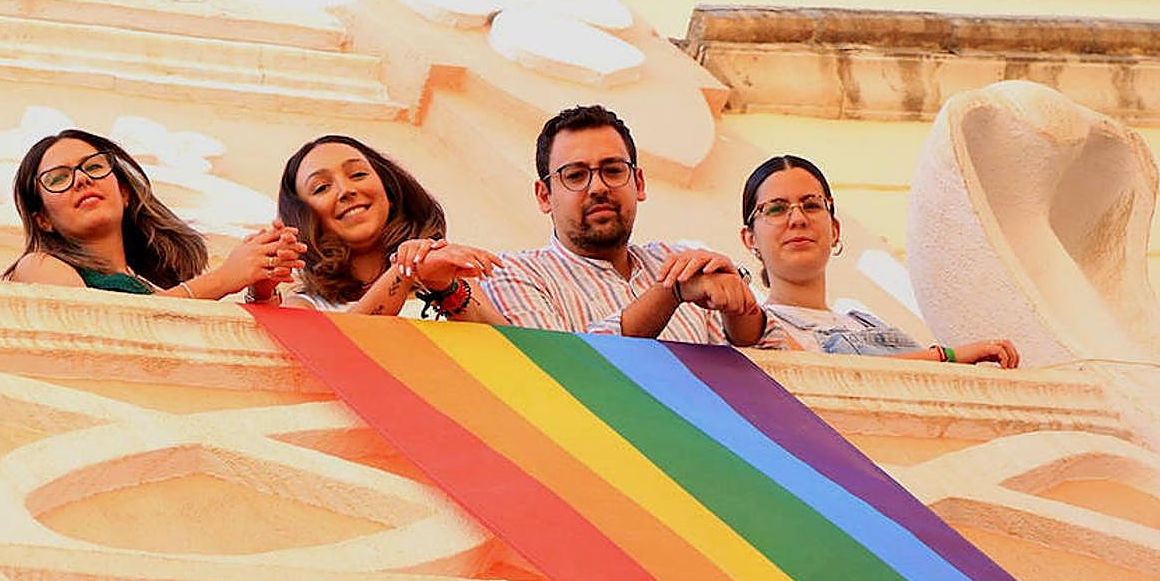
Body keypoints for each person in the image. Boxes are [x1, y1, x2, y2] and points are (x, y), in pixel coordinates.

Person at [481, 105, 762, 345]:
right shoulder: (514, 274)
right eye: (576, 175)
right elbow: (561, 370)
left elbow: (761, 361)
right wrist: (669, 293)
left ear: (638, 183)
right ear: (544, 196)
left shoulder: (676, 261)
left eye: (613, 171)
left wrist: (735, 303)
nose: (598, 187)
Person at [742, 154, 1019, 366]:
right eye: (776, 209)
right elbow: (836, 377)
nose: (798, 219)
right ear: (750, 239)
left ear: (835, 230)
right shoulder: (751, 328)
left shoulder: (867, 324)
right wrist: (948, 356)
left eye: (812, 205)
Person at [2, 128, 303, 299]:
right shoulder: (37, 267)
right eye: (58, 178)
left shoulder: (155, 289)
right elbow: (99, 327)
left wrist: (260, 287)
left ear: (124, 193)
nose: (82, 179)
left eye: (94, 166)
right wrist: (224, 279)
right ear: (42, 218)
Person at [277, 135, 505, 320]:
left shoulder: (449, 273)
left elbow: (509, 353)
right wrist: (406, 270)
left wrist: (444, 286)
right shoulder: (304, 305)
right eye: (321, 188)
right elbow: (335, 356)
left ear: (390, 192)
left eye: (358, 174)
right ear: (305, 219)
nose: (346, 190)